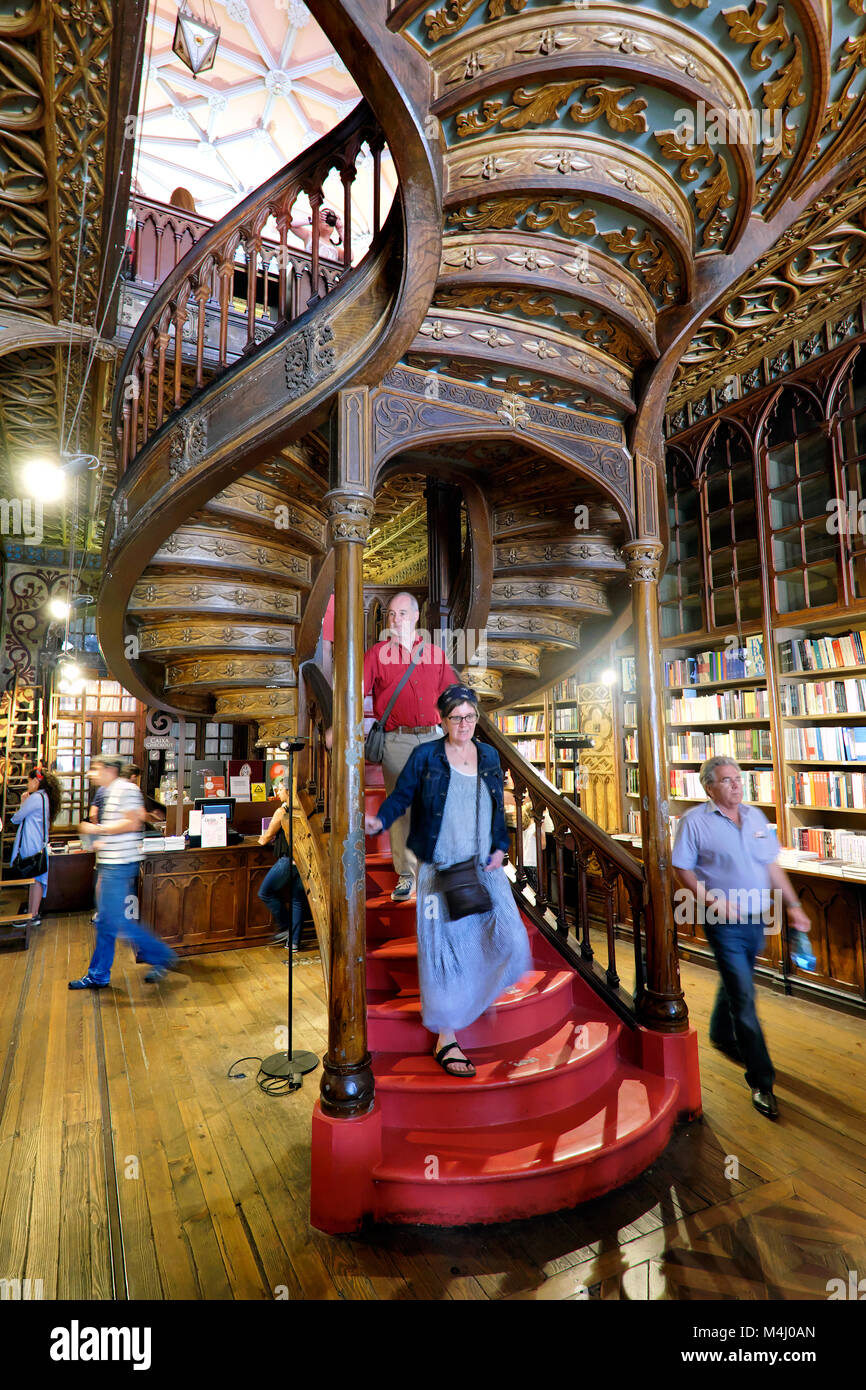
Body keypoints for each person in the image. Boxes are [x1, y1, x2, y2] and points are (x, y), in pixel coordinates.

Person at [364, 684, 532, 1078]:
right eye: (456, 717)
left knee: (510, 937)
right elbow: (402, 794)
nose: (464, 724)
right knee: (443, 954)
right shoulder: (427, 755)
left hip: (482, 865)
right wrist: (381, 820)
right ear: (442, 720)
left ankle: (474, 996)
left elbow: (494, 804)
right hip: (439, 868)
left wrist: (500, 845)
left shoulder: (488, 754)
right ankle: (447, 1038)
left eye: (470, 717)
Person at [671, 755, 811, 1120]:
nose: (736, 784)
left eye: (738, 778)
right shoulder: (694, 822)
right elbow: (681, 867)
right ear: (708, 787)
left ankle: (720, 1032)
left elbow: (771, 865)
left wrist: (793, 906)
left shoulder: (755, 817)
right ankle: (762, 1081)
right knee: (745, 998)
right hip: (723, 922)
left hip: (757, 918)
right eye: (727, 780)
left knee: (738, 982)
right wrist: (711, 901)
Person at [362, 592, 457, 903]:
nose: (395, 619)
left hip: (432, 737)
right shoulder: (377, 654)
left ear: (416, 617)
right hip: (396, 740)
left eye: (402, 613)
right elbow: (355, 692)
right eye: (391, 614)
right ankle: (407, 876)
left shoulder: (434, 654)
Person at [69, 754, 177, 990]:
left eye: (95, 768)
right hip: (110, 863)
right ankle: (98, 974)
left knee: (116, 921)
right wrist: (98, 840)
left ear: (109, 769)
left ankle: (161, 954)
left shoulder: (126, 789)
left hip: (119, 865)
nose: (91, 773)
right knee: (108, 923)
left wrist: (98, 830)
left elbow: (133, 823)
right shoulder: (109, 791)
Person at [258, 777, 308, 952]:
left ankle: (285, 926)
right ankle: (294, 942)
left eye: (280, 789)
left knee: (265, 892)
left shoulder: (282, 811)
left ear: (288, 791)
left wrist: (262, 838)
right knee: (297, 901)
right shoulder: (304, 808)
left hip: (287, 861)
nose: (277, 792)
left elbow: (265, 839)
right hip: (303, 861)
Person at [10, 767, 62, 924]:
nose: (27, 784)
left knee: (33, 879)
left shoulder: (35, 798)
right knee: (37, 878)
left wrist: (23, 802)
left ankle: (31, 916)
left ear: (36, 781)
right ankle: (34, 913)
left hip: (31, 842)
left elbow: (16, 818)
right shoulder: (44, 797)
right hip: (39, 842)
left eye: (28, 781)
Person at [504, 769, 554, 895]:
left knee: (524, 892)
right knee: (533, 893)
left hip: (520, 861)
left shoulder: (524, 823)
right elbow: (542, 845)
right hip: (532, 863)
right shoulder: (536, 826)